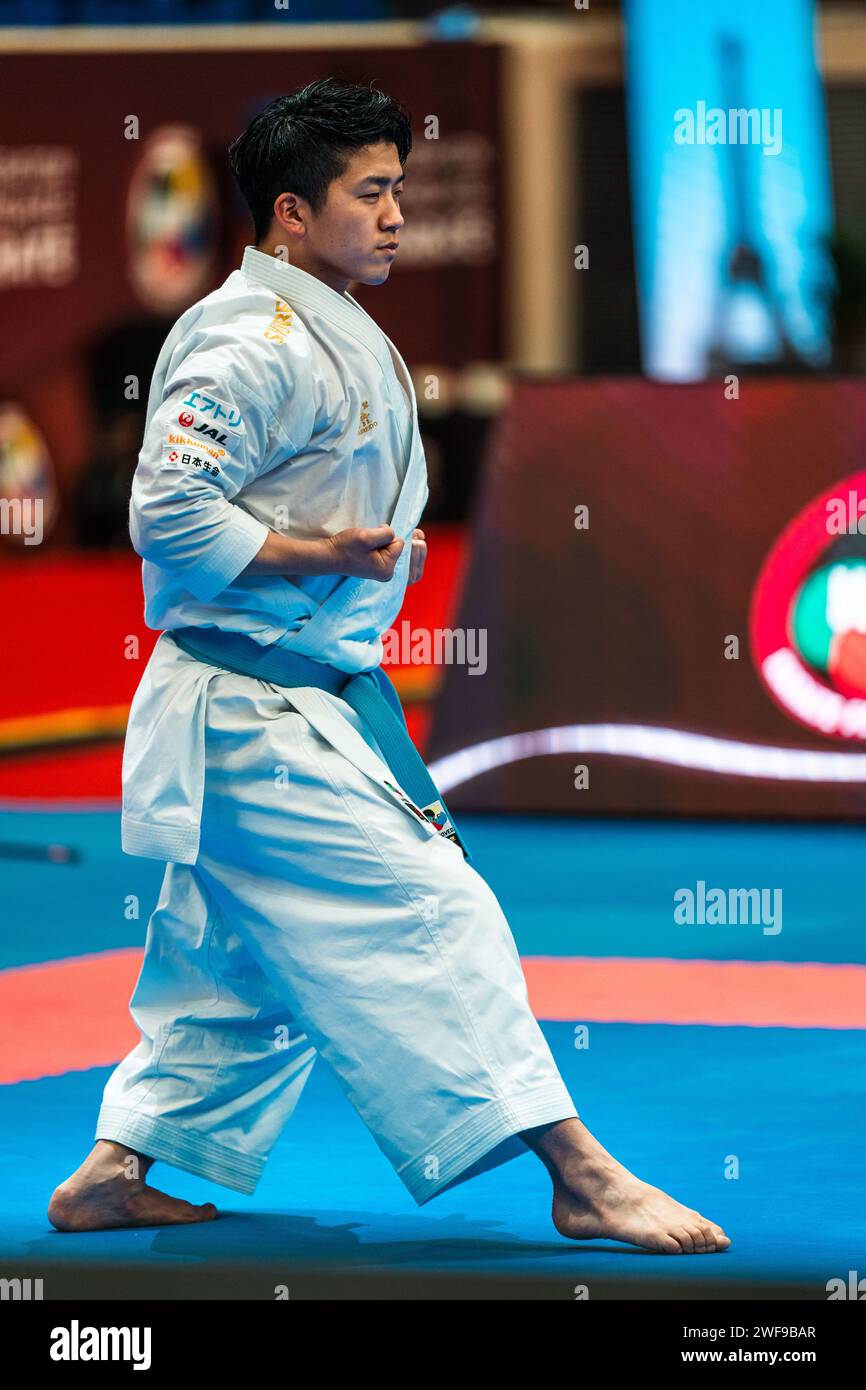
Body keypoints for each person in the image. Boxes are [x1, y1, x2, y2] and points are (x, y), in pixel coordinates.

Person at [48, 79, 730, 1256]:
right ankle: (579, 1174)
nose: (396, 214)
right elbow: (166, 513)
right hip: (250, 711)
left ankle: (115, 1170)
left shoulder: (326, 316)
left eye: (399, 190)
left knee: (232, 968)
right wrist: (324, 549)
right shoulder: (243, 336)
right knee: (435, 912)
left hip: (296, 696)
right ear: (291, 213)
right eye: (370, 193)